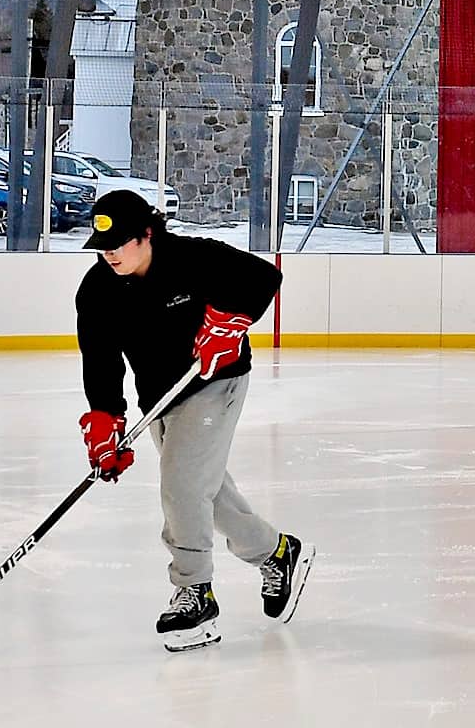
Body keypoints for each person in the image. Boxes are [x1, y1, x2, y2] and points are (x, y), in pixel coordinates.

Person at [75, 189, 313, 650]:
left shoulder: (192, 258)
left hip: (214, 383)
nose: (109, 254)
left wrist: (230, 323)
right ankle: (277, 553)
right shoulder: (97, 290)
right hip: (159, 399)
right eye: (103, 245)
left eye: (119, 243)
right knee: (203, 491)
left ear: (147, 234)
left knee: (182, 486)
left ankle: (195, 592)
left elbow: (264, 278)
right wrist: (106, 420)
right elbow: (100, 362)